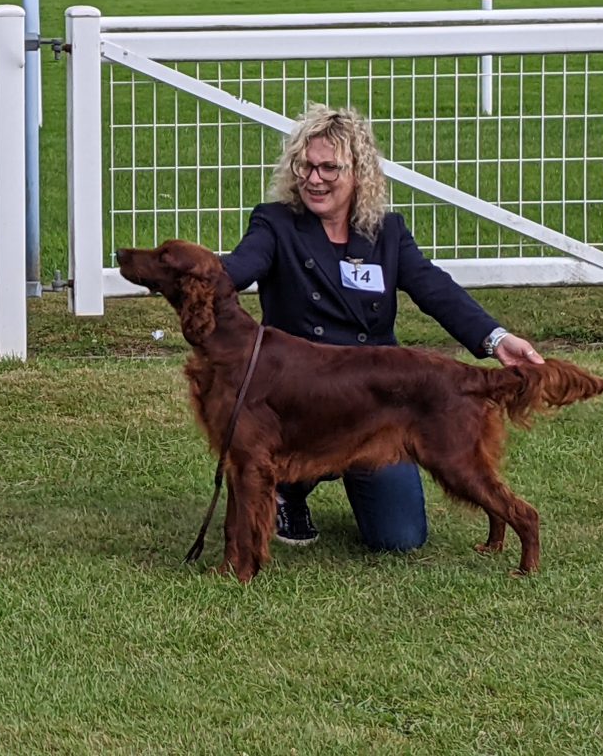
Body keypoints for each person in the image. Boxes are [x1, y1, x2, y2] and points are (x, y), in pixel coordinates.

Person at [221, 103, 544, 553]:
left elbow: (434, 288)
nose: (314, 179)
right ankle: (284, 491)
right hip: (300, 400)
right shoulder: (275, 224)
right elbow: (240, 265)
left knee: (400, 538)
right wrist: (197, 273)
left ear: (358, 171)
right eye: (305, 166)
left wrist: (495, 339)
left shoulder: (386, 232)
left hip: (375, 403)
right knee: (279, 436)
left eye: (329, 168)